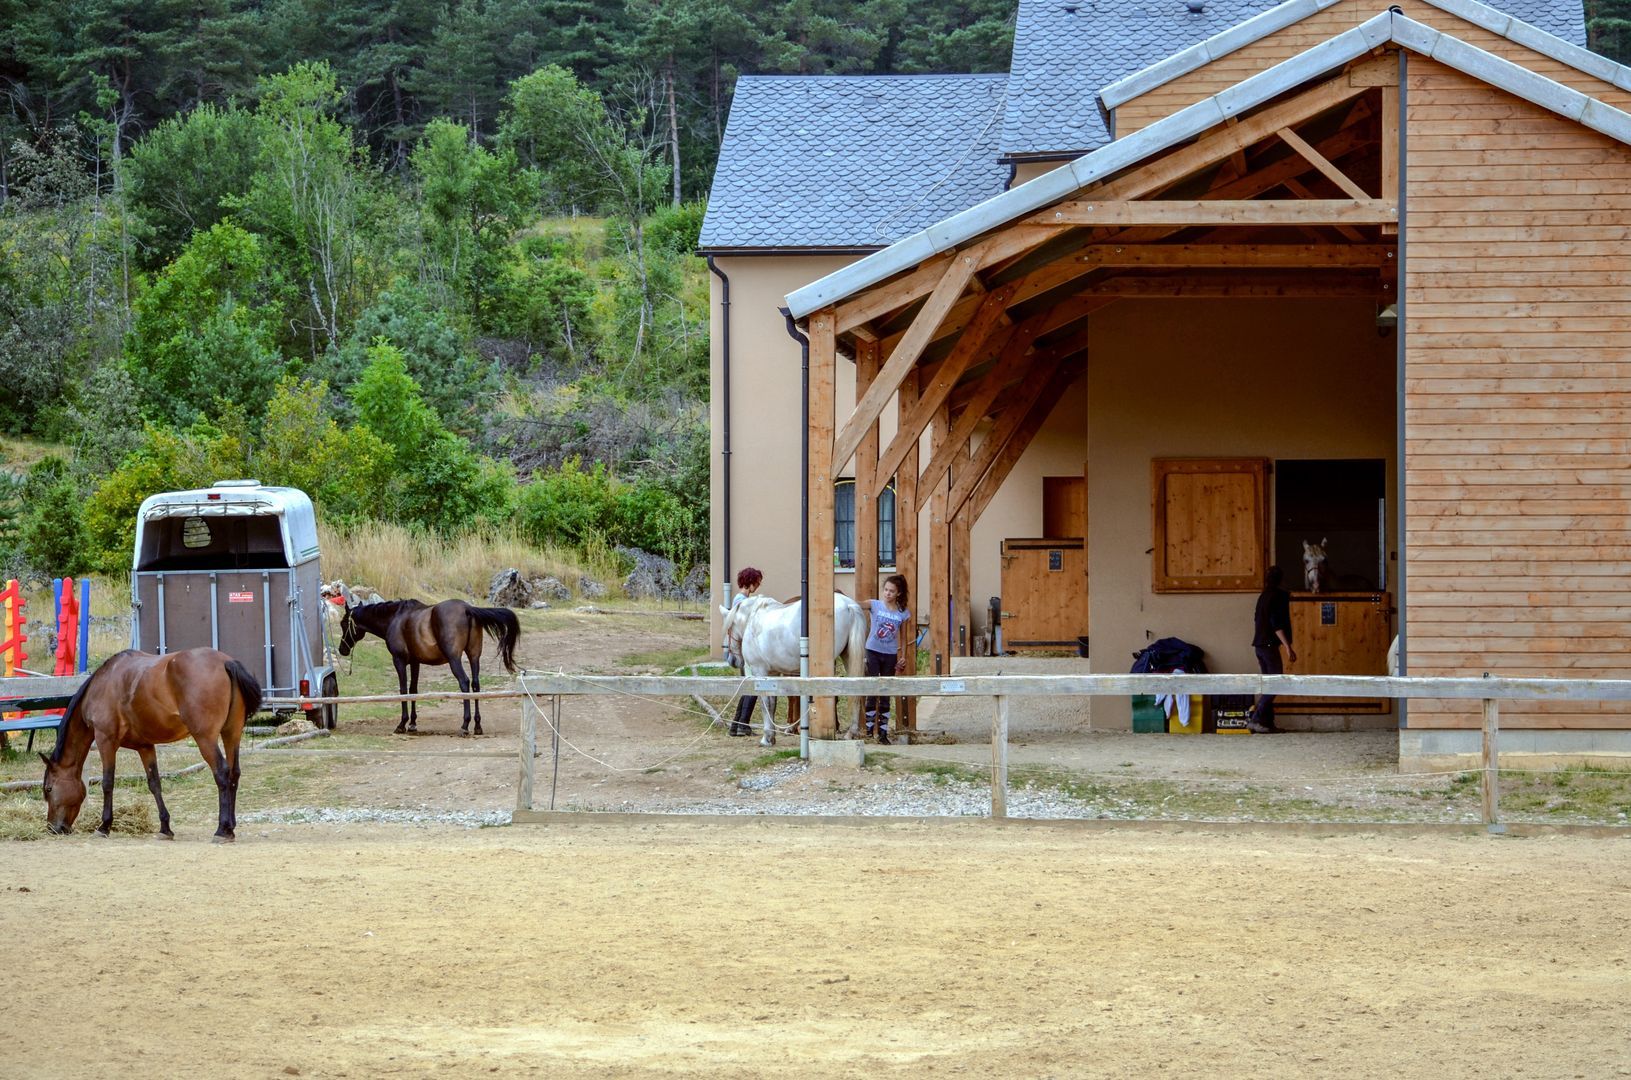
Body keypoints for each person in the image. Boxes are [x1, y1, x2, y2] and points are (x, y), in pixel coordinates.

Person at [861, 574, 912, 745]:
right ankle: (869, 730)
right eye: (886, 590)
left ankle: (882, 732)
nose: (887, 594)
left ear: (898, 593)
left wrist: (903, 656)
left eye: (891, 591)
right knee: (872, 688)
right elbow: (859, 605)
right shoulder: (875, 605)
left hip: (890, 654)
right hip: (872, 650)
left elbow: (903, 637)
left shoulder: (902, 613)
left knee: (885, 692)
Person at [1248, 565, 1296, 734]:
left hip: (1259, 645)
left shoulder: (1263, 596)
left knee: (1267, 684)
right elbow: (1276, 624)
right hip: (1269, 646)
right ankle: (1255, 718)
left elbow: (1257, 619)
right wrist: (1288, 647)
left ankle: (1267, 723)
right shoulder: (1278, 597)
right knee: (1274, 684)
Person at [724, 567, 764, 736]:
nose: (758, 586)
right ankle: (742, 725)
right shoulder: (741, 601)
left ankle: (736, 725)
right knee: (753, 687)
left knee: (748, 686)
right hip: (745, 651)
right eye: (757, 582)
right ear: (750, 582)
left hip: (743, 650)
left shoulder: (739, 599)